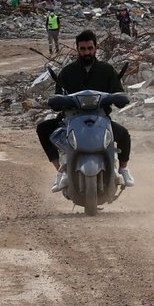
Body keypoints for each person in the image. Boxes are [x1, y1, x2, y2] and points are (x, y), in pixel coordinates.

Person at [36, 30, 133, 191]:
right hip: (70, 119)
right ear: (77, 49)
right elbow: (58, 96)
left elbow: (118, 93)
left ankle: (123, 169)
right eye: (83, 49)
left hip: (100, 119)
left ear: (96, 48)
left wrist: (119, 99)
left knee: (124, 135)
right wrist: (57, 102)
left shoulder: (107, 70)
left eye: (89, 48)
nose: (86, 52)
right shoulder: (68, 72)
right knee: (43, 129)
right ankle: (61, 171)